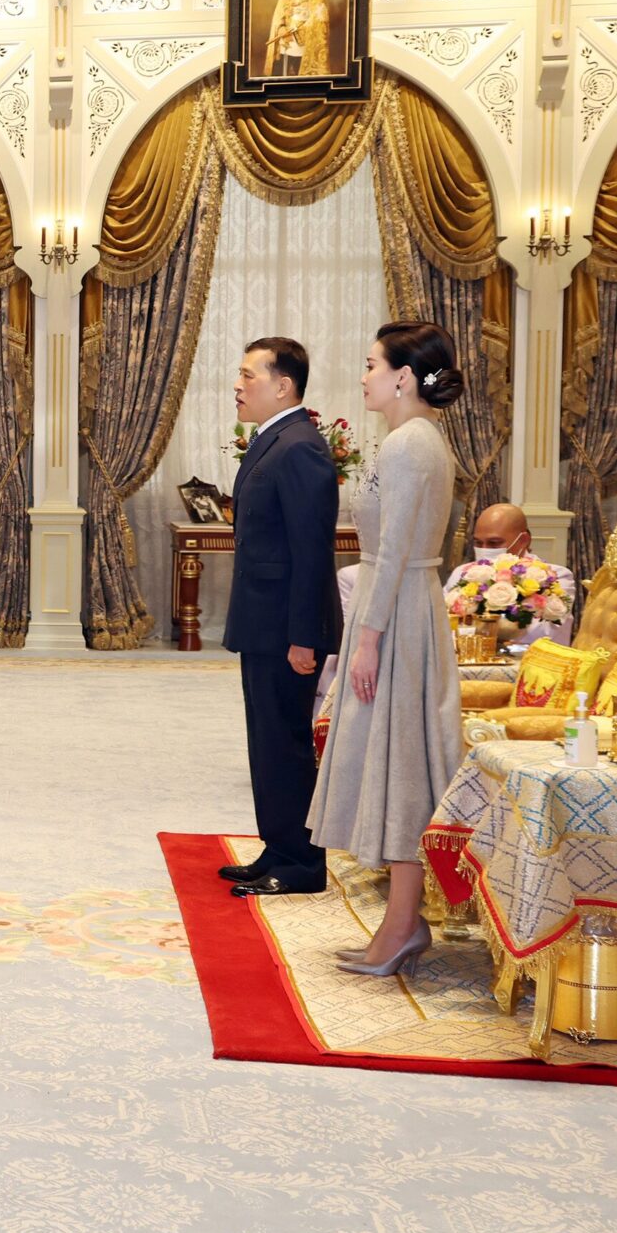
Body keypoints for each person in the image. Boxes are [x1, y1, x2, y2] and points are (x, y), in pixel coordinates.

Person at [312, 323, 466, 975]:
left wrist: (367, 639)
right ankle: (403, 920)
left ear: (405, 376)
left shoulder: (409, 445)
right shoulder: (416, 439)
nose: (366, 374)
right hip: (399, 605)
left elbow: (396, 544)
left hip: (397, 614)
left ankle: (403, 924)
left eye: (373, 363)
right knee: (396, 767)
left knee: (401, 767)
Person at [220, 336, 342, 901]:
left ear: (283, 385)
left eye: (249, 375)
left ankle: (300, 863)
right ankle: (278, 846)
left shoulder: (300, 448)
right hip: (263, 621)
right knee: (267, 740)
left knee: (286, 741)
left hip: (285, 630)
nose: (239, 385)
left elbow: (311, 550)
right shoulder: (274, 440)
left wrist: (303, 637)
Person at [446, 502, 577, 645]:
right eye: (478, 542)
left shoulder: (557, 576)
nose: (484, 549)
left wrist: (479, 624)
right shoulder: (463, 573)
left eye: (494, 543)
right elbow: (443, 623)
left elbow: (543, 632)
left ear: (523, 540)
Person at [265, 0, 333, 79]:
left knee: (300, 71)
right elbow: (279, 12)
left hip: (305, 35)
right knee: (284, 69)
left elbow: (320, 16)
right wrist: (281, 28)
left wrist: (297, 31)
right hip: (284, 35)